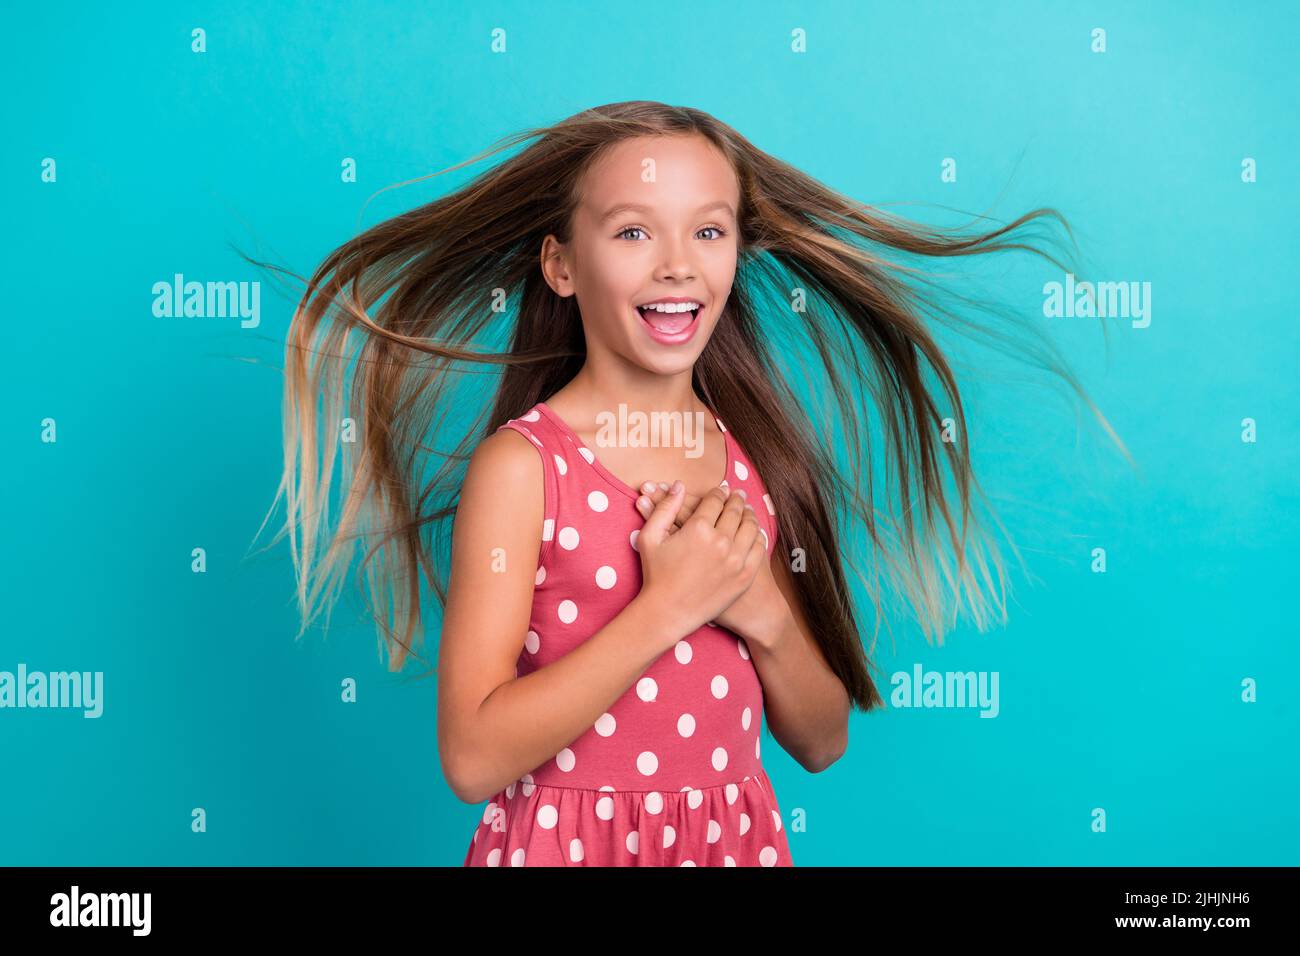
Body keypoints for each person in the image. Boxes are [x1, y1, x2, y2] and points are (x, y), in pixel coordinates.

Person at [253, 100, 1124, 866]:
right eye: (634, 231)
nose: (677, 263)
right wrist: (668, 608)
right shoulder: (524, 470)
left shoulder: (752, 458)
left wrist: (764, 614)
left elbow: (822, 742)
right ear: (562, 266)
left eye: (708, 231)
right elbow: (473, 759)